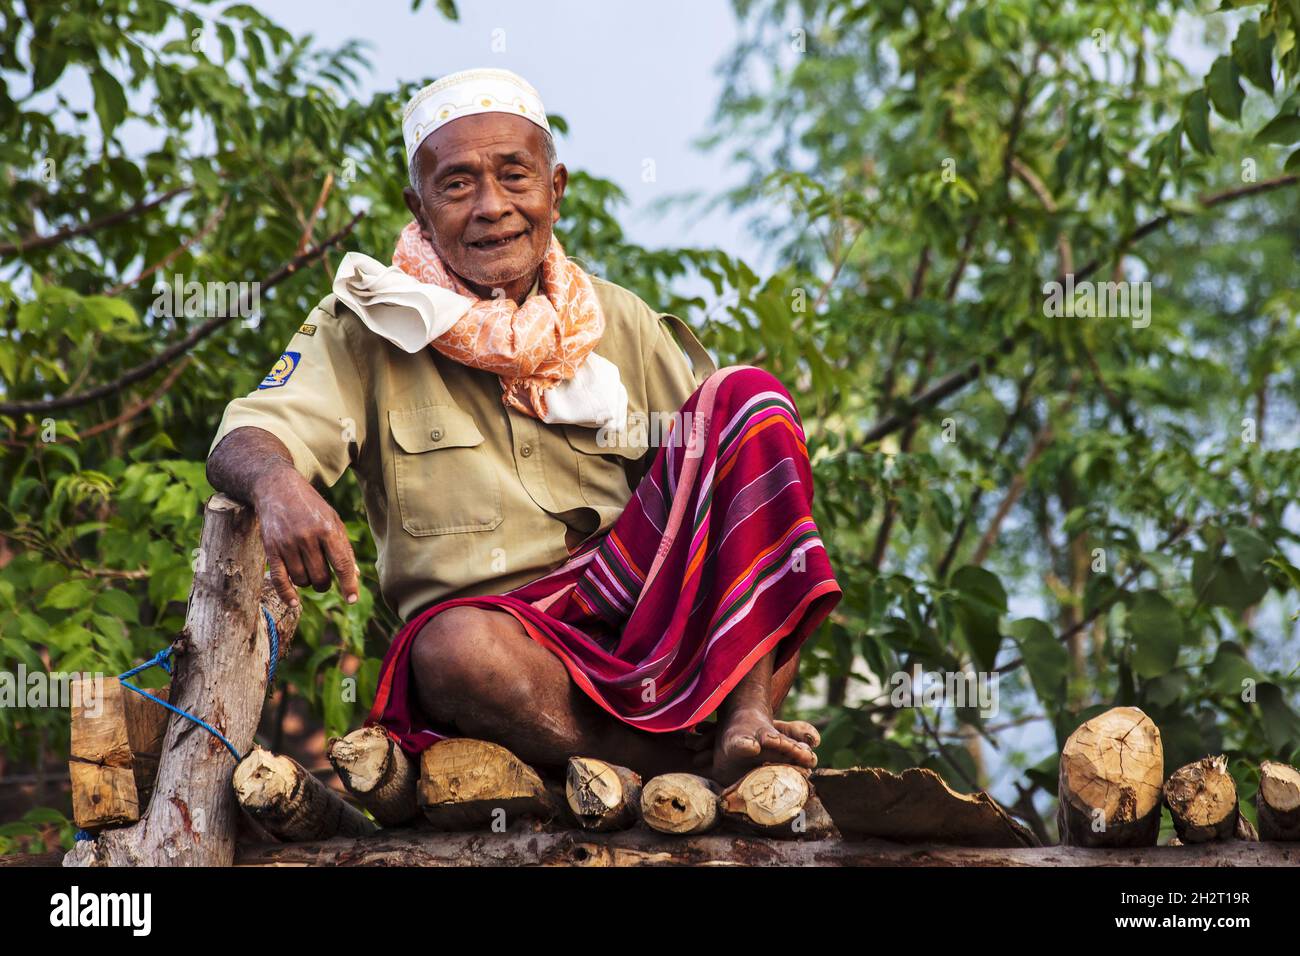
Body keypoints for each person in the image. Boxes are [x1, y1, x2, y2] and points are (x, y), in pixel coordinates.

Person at [206, 67, 842, 783]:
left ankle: (747, 713)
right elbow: (247, 433)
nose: (492, 208)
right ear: (417, 206)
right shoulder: (370, 325)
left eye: (515, 177)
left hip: (638, 631)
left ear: (556, 189)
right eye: (457, 185)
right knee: (451, 650)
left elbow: (725, 483)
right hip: (505, 654)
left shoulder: (615, 318)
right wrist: (279, 482)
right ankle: (659, 759)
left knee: (748, 401)